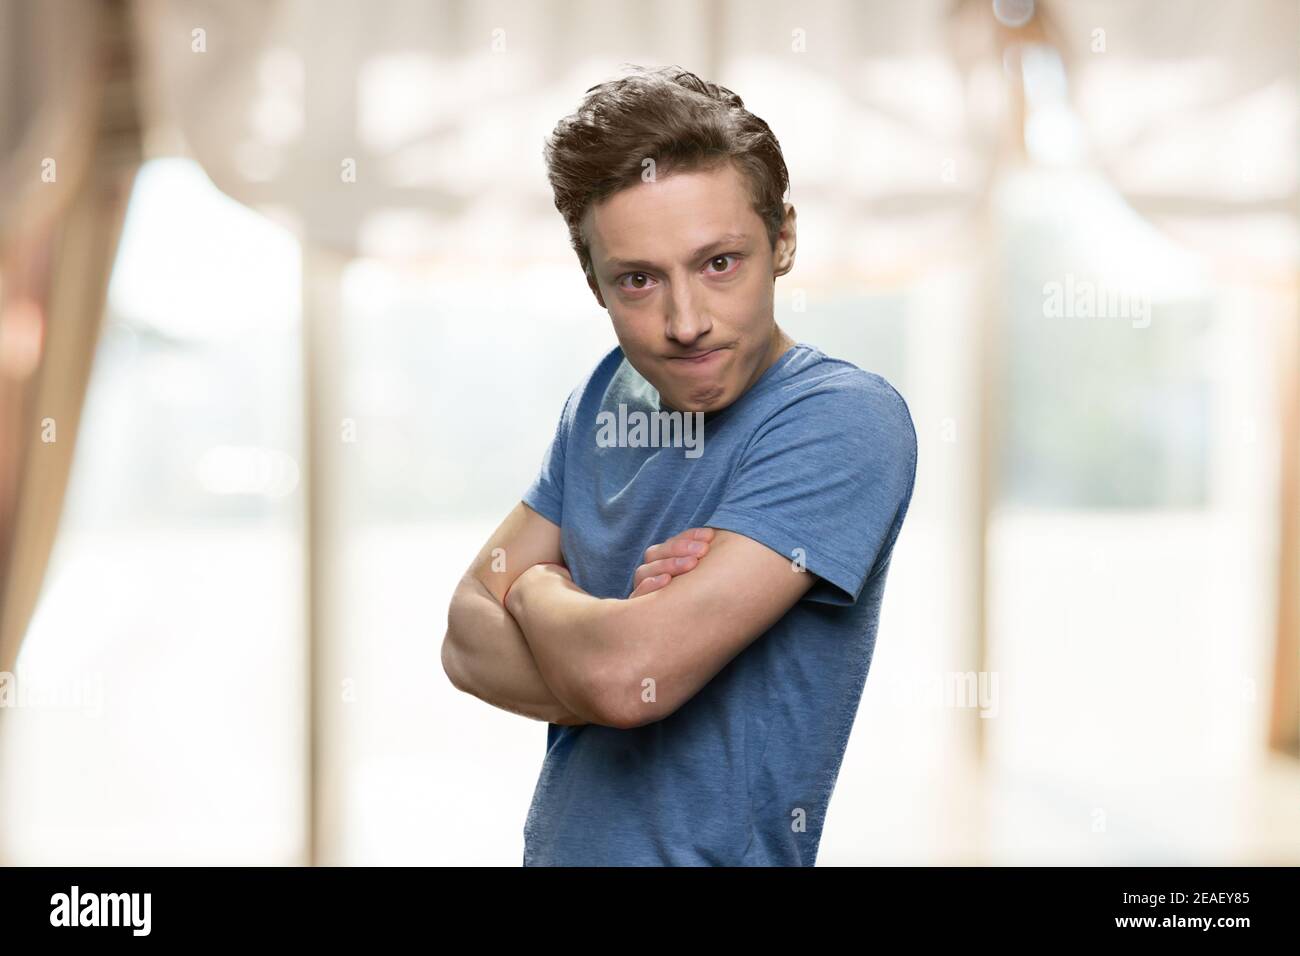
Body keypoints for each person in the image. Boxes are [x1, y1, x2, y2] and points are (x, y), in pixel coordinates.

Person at [442, 65, 918, 866]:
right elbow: (462, 639)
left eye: (720, 263)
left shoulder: (843, 418)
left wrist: (533, 590)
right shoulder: (606, 396)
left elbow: (631, 680)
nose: (687, 321)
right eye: (639, 280)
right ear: (595, 283)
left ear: (784, 239)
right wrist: (600, 657)